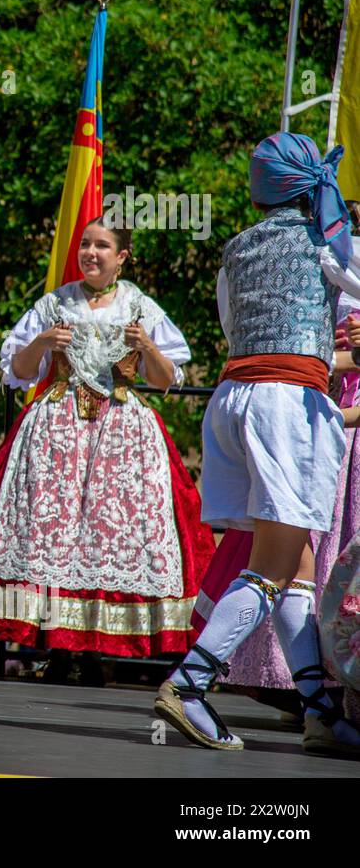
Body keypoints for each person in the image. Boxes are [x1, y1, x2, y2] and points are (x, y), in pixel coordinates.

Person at [157, 133, 360, 756]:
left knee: (295, 571)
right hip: (285, 408)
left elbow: (234, 327)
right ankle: (187, 687)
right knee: (273, 567)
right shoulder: (328, 245)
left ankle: (320, 713)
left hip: (235, 400)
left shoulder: (237, 249)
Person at [0, 216, 214, 682]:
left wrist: (147, 345)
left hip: (122, 433)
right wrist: (44, 342)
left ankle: (96, 651)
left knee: (110, 537)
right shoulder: (54, 303)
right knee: (54, 532)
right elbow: (19, 371)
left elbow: (167, 380)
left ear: (122, 257)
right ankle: (59, 649)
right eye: (85, 244)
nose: (90, 253)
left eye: (102, 246)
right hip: (56, 432)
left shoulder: (140, 306)